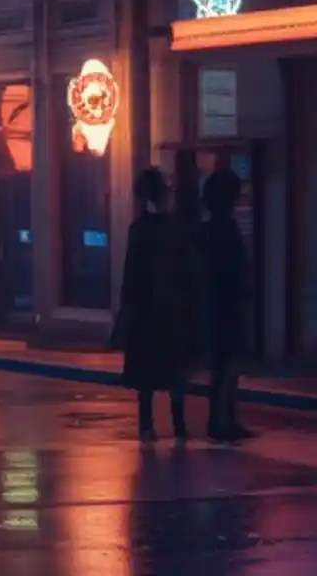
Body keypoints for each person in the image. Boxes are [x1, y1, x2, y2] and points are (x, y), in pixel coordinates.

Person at [116, 167, 203, 442]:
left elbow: (131, 276)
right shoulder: (175, 230)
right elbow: (189, 272)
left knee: (147, 374)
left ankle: (147, 424)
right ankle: (177, 423)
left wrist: (127, 309)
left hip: (147, 311)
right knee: (174, 370)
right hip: (171, 310)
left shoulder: (140, 230)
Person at [201, 167, 255, 442]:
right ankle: (222, 421)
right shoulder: (225, 229)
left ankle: (223, 419)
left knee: (223, 366)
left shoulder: (211, 228)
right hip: (227, 303)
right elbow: (233, 266)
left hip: (217, 303)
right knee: (227, 365)